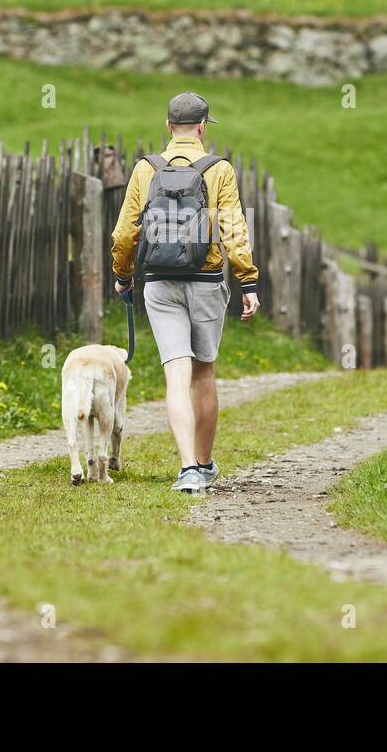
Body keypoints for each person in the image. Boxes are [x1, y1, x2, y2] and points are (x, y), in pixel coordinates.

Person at [110, 91, 260, 493]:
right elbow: (233, 227)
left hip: (159, 281)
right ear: (202, 127)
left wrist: (123, 275)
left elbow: (126, 232)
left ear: (168, 127)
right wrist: (247, 280)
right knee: (203, 371)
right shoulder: (219, 169)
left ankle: (187, 469)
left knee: (175, 372)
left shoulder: (146, 168)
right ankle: (205, 462)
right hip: (207, 281)